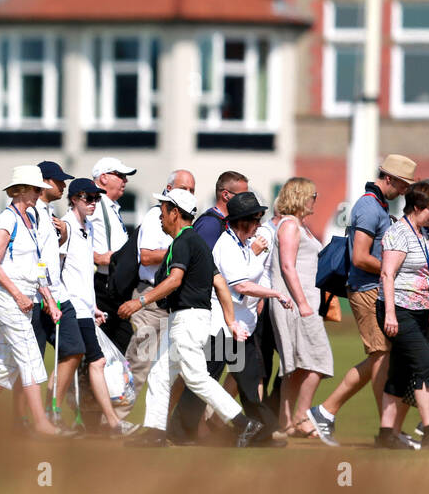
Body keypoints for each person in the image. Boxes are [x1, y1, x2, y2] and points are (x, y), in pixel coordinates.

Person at [119, 188, 269, 448]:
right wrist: (231, 321)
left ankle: (244, 424)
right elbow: (220, 284)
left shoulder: (183, 242)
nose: (160, 216)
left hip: (187, 321)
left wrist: (140, 301)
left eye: (164, 209)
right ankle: (154, 432)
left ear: (175, 213)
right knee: (159, 376)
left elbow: (175, 280)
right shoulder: (197, 242)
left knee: (197, 379)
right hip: (190, 320)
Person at [306, 154, 416, 446]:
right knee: (381, 356)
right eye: (403, 185)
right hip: (366, 289)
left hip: (373, 288)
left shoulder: (378, 205)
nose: (405, 191)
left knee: (381, 356)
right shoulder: (369, 207)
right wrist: (390, 270)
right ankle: (385, 430)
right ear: (389, 179)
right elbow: (360, 257)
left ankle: (329, 413)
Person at [177, 191, 291, 442]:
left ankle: (258, 433)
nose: (259, 225)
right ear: (242, 221)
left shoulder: (245, 245)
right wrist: (275, 293)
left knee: (245, 382)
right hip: (222, 328)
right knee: (205, 381)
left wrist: (256, 255)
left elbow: (249, 276)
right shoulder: (226, 245)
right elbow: (242, 285)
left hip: (239, 329)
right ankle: (183, 429)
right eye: (256, 219)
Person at [0, 165, 65, 436]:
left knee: (6, 366)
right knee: (31, 358)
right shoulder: (7, 219)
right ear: (20, 190)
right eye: (35, 189)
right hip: (7, 298)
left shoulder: (30, 221)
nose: (38, 194)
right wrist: (19, 294)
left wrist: (47, 298)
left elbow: (36, 266)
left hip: (25, 296)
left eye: (39, 189)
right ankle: (41, 423)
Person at [374, 180, 429, 450]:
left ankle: (386, 435)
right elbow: (388, 274)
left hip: (419, 310)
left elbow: (422, 271)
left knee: (400, 371)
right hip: (399, 310)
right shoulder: (398, 233)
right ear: (417, 207)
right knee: (426, 366)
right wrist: (391, 315)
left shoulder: (420, 233)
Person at [59, 177, 128, 436]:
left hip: (84, 307)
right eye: (88, 198)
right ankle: (112, 422)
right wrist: (60, 302)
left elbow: (85, 272)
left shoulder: (86, 227)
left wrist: (93, 306)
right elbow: (58, 269)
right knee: (93, 361)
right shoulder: (65, 226)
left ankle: (49, 412)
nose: (93, 203)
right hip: (71, 306)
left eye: (97, 199)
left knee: (71, 363)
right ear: (74, 198)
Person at [266, 177, 334, 438]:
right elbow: (287, 266)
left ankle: (286, 423)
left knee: (297, 366)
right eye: (312, 195)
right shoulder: (290, 226)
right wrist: (303, 304)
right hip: (294, 304)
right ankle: (302, 417)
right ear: (300, 196)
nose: (315, 199)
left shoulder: (299, 225)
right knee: (319, 360)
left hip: (303, 302)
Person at [131, 169, 195, 402]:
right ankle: (113, 421)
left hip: (174, 300)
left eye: (191, 190)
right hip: (150, 298)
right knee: (140, 364)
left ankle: (166, 423)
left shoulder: (185, 226)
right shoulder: (154, 216)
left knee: (173, 367)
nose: (188, 193)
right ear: (169, 190)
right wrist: (180, 251)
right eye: (183, 188)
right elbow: (146, 256)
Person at [32, 160, 83, 423]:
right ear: (44, 183)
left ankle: (54, 409)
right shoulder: (31, 212)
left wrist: (61, 236)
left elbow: (53, 254)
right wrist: (44, 293)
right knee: (31, 361)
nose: (63, 186)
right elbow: (35, 258)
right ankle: (27, 418)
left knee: (74, 349)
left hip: (58, 293)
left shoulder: (50, 212)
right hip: (37, 296)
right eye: (58, 181)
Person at [89, 156, 138, 354]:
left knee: (119, 346)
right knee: (103, 349)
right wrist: (96, 257)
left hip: (116, 286)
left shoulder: (111, 206)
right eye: (120, 175)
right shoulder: (94, 204)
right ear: (103, 178)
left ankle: (107, 384)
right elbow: (74, 237)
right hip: (101, 285)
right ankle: (88, 384)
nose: (125, 180)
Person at [194, 171, 249, 249]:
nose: (247, 200)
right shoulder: (209, 224)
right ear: (226, 195)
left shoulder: (228, 221)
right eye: (243, 196)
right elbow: (205, 260)